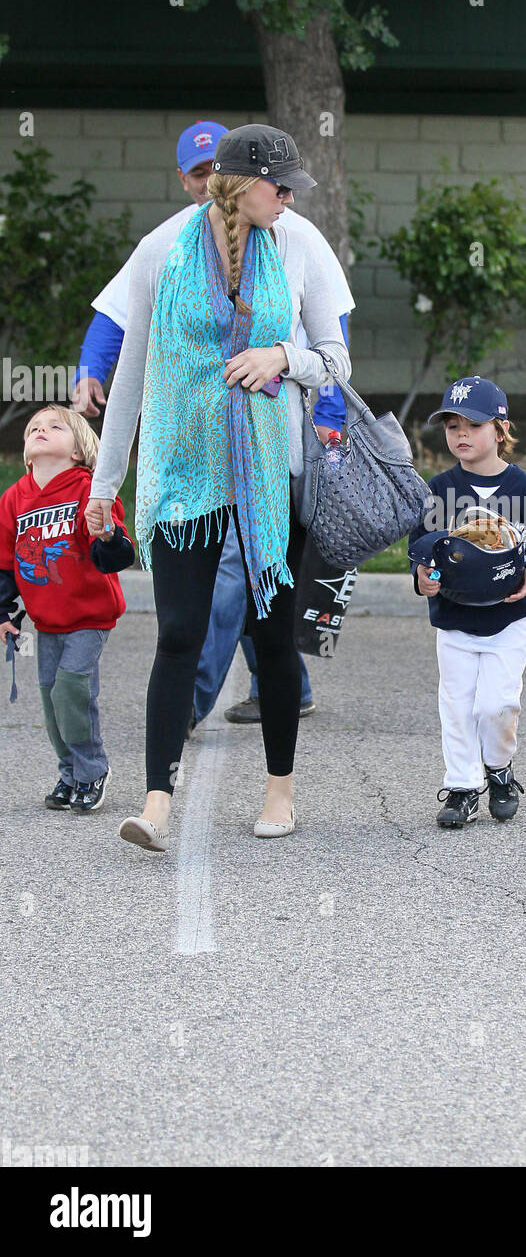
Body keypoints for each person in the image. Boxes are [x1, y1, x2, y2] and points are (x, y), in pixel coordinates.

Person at [85, 124, 351, 852]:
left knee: (272, 637)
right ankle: (156, 802)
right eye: (279, 183)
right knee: (177, 634)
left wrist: (280, 356)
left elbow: (335, 360)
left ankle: (279, 789)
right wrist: (105, 483)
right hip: (182, 471)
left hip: (272, 468)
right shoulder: (162, 251)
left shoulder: (299, 243)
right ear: (236, 183)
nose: (290, 195)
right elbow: (133, 371)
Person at [409, 376, 526, 828]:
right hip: (455, 619)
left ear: (500, 430)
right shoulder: (439, 489)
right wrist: (422, 576)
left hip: (508, 618)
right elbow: (421, 545)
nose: (460, 435)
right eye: (452, 425)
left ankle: (499, 768)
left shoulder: (524, 489)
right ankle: (463, 787)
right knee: (457, 706)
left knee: (496, 706)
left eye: (473, 425)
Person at [0, 406, 134, 814]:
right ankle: (69, 772)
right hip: (47, 619)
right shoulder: (13, 499)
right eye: (33, 428)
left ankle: (92, 769)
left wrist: (107, 534)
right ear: (25, 450)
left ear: (78, 449)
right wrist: (3, 611)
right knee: (49, 696)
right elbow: (5, 564)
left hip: (90, 615)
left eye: (55, 427)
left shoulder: (89, 489)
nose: (41, 430)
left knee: (71, 689)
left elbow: (117, 556)